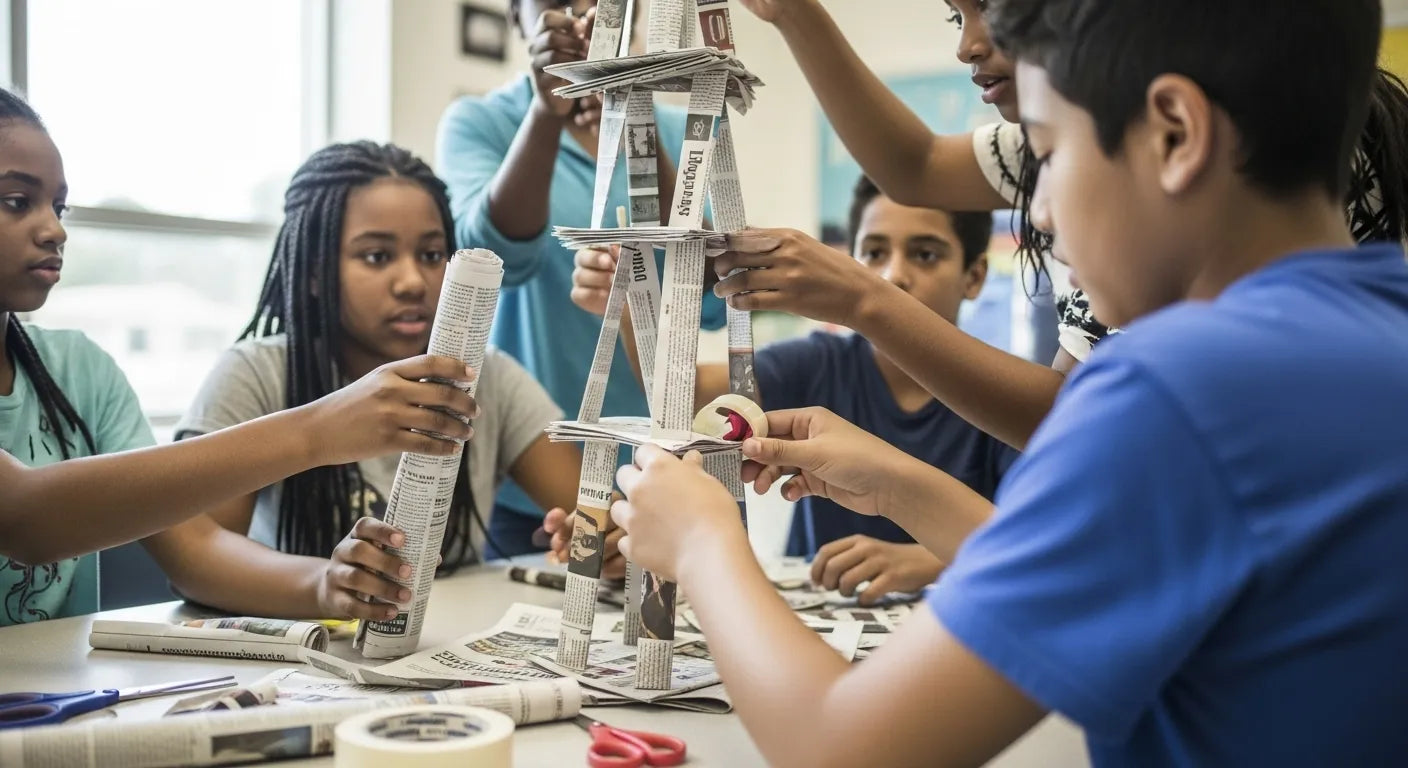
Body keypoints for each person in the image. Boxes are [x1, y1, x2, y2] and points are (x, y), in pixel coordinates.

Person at [610, 1, 1408, 764]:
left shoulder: (1175, 397)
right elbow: (1123, 565)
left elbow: (842, 747)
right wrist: (896, 485)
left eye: (1051, 155)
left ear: (1175, 133)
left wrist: (703, 543)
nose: (1045, 215)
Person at [709, 0, 1408, 452]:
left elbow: (1075, 428)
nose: (1040, 212)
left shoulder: (1195, 408)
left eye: (992, 8)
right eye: (958, 17)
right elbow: (913, 164)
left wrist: (866, 301)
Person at [0, 92, 476, 625]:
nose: (54, 229)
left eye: (58, 207)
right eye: (17, 201)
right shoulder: (260, 370)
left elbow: (192, 545)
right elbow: (23, 520)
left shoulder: (83, 372)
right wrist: (321, 428)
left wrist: (326, 583)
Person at [173, 142, 621, 617]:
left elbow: (589, 507)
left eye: (431, 254)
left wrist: (609, 536)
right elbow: (195, 550)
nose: (412, 281)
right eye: (375, 256)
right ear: (313, 272)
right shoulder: (256, 373)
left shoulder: (490, 377)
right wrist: (323, 584)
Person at [571, 176, 1014, 602]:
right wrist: (633, 311)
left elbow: (1046, 547)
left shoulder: (1004, 398)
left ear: (974, 276)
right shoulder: (818, 364)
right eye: (875, 253)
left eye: (925, 255)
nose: (893, 274)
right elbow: (680, 395)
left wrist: (936, 560)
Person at [435, 0, 727, 554]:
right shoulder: (481, 123)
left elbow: (715, 296)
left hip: (660, 468)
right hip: (525, 481)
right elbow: (488, 260)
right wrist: (546, 113)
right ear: (518, 15)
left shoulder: (678, 130)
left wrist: (636, 112)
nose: (582, 11)